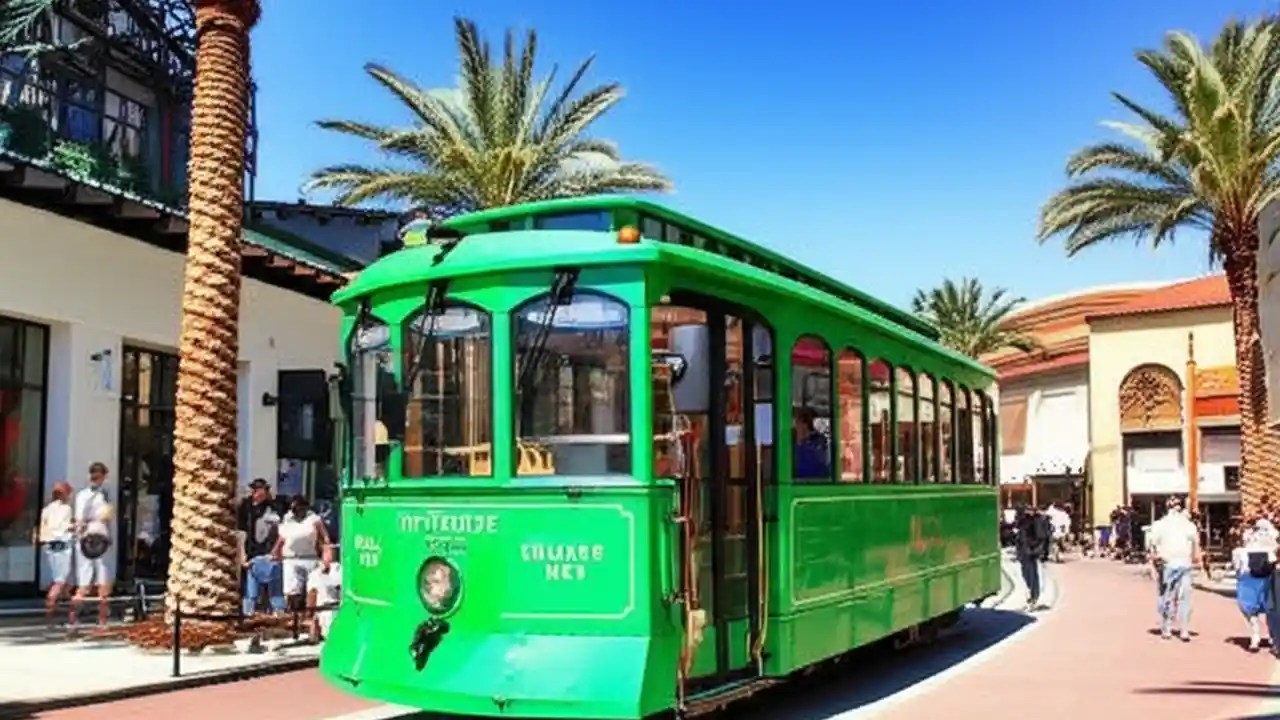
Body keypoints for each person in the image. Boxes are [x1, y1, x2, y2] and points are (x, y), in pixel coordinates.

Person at [70, 462, 114, 628]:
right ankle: (101, 619)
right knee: (102, 580)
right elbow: (102, 518)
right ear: (102, 476)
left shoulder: (85, 495)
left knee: (85, 581)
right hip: (97, 537)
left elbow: (79, 519)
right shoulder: (98, 495)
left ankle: (75, 618)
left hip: (87, 538)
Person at [1149, 496, 1199, 641]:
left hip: (1177, 563)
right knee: (1176, 597)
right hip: (1174, 562)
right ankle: (1174, 628)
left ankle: (1175, 628)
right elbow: (1153, 546)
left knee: (1175, 596)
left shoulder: (1164, 524)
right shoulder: (1182, 524)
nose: (1175, 508)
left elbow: (1195, 543)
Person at [273, 495, 332, 611]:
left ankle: (310, 616)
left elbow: (325, 538)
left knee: (312, 590)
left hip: (311, 558)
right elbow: (282, 538)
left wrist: (327, 554)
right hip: (291, 559)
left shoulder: (314, 519)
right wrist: (275, 551)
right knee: (293, 592)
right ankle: (294, 617)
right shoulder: (287, 519)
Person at [236, 478, 284, 616]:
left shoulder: (273, 507)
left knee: (274, 586)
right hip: (251, 552)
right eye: (257, 490)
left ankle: (277, 612)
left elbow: (280, 529)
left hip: (269, 552)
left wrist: (276, 551)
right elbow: (241, 532)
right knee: (251, 588)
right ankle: (249, 613)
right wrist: (242, 554)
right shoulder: (245, 507)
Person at [34, 481, 74, 623]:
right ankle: (50, 610)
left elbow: (43, 529)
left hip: (49, 547)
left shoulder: (46, 509)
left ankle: (70, 612)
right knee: (60, 581)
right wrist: (74, 526)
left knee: (60, 578)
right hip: (62, 546)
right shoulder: (66, 509)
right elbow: (64, 528)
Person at [1233, 518, 1274, 651]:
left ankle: (1255, 636)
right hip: (1268, 579)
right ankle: (1272, 637)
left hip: (1249, 579)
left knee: (1250, 610)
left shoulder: (1246, 544)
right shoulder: (1273, 542)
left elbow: (1238, 566)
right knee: (1271, 609)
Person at [1015, 505, 1049, 611]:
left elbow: (1040, 537)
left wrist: (1033, 549)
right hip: (1026, 551)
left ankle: (1033, 597)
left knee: (1030, 574)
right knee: (1028, 573)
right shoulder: (1024, 521)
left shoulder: (1034, 521)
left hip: (1029, 552)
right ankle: (1033, 596)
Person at [792, 407, 831, 479]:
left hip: (817, 482)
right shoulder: (790, 441)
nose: (796, 425)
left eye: (799, 422)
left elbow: (821, 461)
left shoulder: (819, 441)